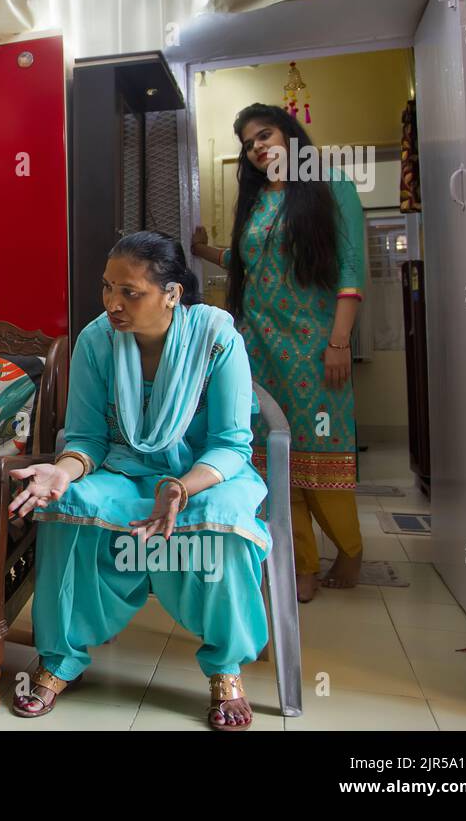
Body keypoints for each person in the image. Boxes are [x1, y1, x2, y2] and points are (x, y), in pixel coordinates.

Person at [9, 232, 269, 730]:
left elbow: (232, 444)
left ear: (172, 293)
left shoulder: (216, 338)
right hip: (124, 471)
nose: (113, 303)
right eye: (108, 288)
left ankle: (225, 667)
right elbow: (87, 439)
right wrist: (60, 472)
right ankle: (60, 659)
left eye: (131, 292)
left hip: (205, 474)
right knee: (71, 507)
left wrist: (182, 487)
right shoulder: (96, 340)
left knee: (222, 524)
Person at [193, 103, 365, 603]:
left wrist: (339, 342)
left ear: (290, 134)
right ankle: (300, 565)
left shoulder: (332, 188)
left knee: (322, 449)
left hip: (316, 346)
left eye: (264, 135)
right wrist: (204, 252)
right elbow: (249, 263)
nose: (257, 147)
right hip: (260, 349)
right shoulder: (256, 202)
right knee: (275, 455)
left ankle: (349, 548)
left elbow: (351, 271)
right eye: (248, 143)